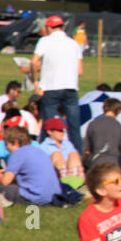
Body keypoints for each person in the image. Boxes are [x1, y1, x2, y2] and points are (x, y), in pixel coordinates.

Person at [31, 15, 84, 153]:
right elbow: (80, 71)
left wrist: (35, 81)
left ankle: (46, 153)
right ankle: (77, 155)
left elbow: (33, 61)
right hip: (71, 87)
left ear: (49, 27)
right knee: (74, 127)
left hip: (51, 87)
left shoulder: (45, 41)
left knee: (49, 125)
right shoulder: (73, 43)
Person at [0, 125, 61, 206]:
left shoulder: (17, 154)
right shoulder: (39, 151)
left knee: (1, 189)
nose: (6, 148)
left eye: (6, 144)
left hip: (37, 197)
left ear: (16, 142)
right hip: (54, 196)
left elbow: (5, 182)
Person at [35, 117, 85, 184]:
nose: (62, 133)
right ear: (49, 132)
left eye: (62, 130)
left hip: (71, 173)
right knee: (56, 154)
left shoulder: (67, 143)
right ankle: (64, 182)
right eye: (59, 130)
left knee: (74, 154)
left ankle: (77, 180)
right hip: (55, 177)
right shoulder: (43, 147)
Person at [83, 97, 121, 169]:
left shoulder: (93, 124)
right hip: (114, 164)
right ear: (119, 110)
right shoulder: (120, 127)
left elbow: (86, 150)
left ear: (103, 108)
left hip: (96, 162)